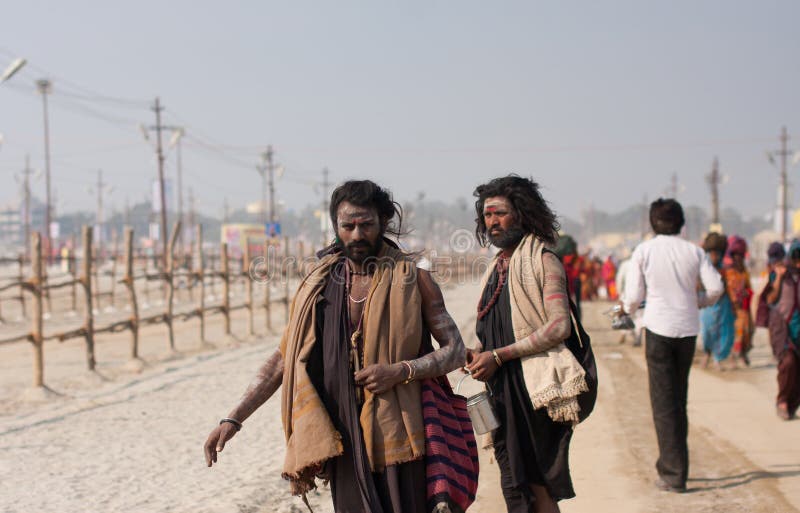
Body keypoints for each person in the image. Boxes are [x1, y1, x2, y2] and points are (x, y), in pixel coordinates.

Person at [203, 180, 467, 513]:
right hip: (343, 438)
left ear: (383, 223)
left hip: (400, 435)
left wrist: (401, 371)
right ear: (336, 227)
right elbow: (287, 357)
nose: (357, 234)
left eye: (366, 224)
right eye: (348, 226)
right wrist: (233, 418)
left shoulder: (414, 278)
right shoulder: (320, 283)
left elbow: (455, 350)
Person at [466, 175, 587, 513]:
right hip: (502, 390)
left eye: (500, 213)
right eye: (487, 215)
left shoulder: (543, 260)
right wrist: (479, 355)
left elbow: (560, 326)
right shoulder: (496, 266)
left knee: (538, 483)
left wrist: (499, 356)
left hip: (533, 391)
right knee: (514, 481)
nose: (493, 221)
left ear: (521, 214)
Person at [620, 199, 723, 493]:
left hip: (659, 329)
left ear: (653, 223)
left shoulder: (644, 251)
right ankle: (678, 467)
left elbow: (633, 296)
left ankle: (673, 473)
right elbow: (716, 288)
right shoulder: (695, 251)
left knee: (664, 403)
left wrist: (625, 310)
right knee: (679, 398)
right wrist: (699, 302)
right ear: (681, 223)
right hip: (688, 329)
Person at [764, 240, 800, 420]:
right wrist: (778, 277)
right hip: (783, 330)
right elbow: (770, 299)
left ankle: (791, 405)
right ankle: (782, 401)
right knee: (788, 363)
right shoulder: (780, 275)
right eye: (796, 258)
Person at [700, 232, 736, 370]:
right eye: (713, 254)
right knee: (707, 331)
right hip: (708, 305)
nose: (715, 257)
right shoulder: (703, 269)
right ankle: (707, 354)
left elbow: (727, 287)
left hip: (722, 305)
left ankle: (717, 358)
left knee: (722, 332)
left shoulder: (724, 270)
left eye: (717, 254)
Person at [724, 236, 754, 367]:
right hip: (731, 308)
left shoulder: (744, 272)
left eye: (740, 256)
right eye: (736, 255)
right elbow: (727, 288)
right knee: (732, 332)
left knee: (747, 331)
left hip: (744, 308)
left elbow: (749, 287)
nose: (738, 258)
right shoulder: (728, 271)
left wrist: (746, 293)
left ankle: (743, 354)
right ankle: (732, 357)